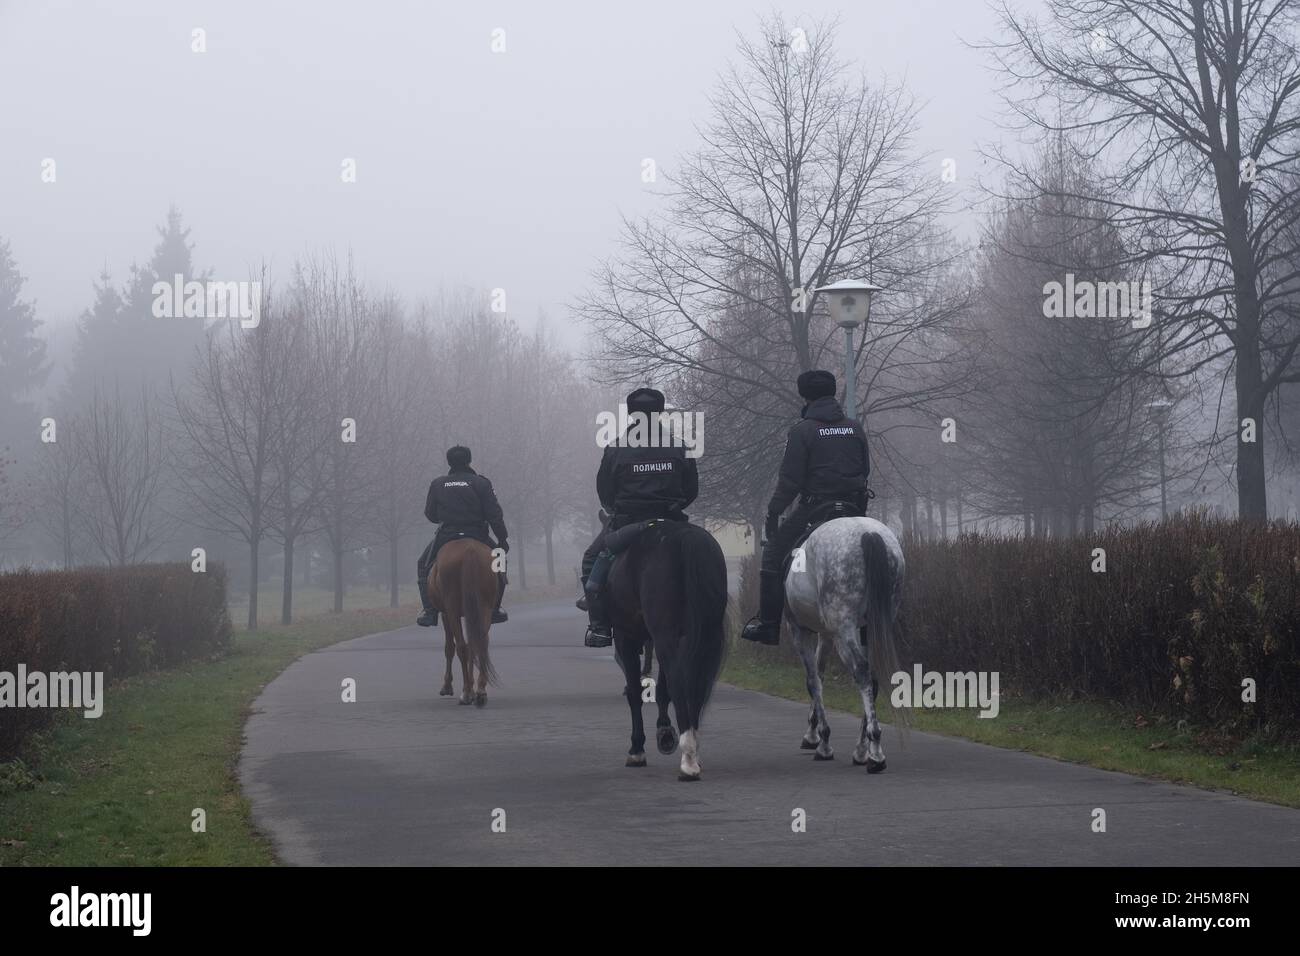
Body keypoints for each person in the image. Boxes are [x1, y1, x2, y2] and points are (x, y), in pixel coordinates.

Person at [741, 369, 870, 646]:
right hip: (853, 507)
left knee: (774, 554)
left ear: (805, 396)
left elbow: (790, 481)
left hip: (816, 508)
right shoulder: (855, 427)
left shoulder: (802, 431)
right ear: (833, 393)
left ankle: (768, 625)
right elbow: (865, 469)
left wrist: (774, 512)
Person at [581, 388, 698, 647]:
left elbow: (605, 492)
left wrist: (618, 510)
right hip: (671, 523)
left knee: (591, 560)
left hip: (626, 523)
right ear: (659, 413)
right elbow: (692, 490)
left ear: (632, 414)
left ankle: (599, 626)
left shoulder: (616, 448)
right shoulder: (679, 446)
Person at [416, 445, 509, 627]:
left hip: (447, 535)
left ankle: (429, 611)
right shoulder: (481, 483)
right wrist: (502, 540)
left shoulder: (437, 483)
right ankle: (496, 609)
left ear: (449, 462)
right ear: (469, 460)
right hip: (477, 534)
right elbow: (494, 515)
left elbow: (430, 514)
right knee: (500, 564)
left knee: (423, 565)